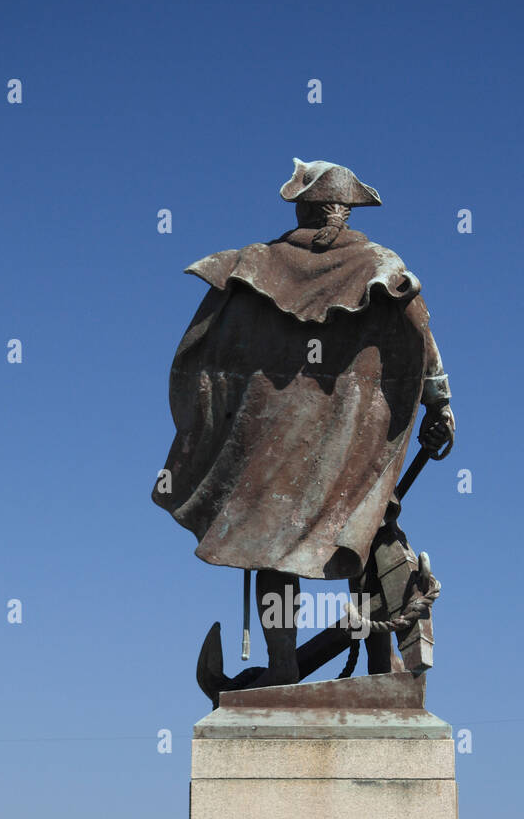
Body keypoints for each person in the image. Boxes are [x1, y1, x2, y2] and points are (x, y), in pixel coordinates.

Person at [152, 158, 455, 687]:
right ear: (342, 210)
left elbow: (202, 352)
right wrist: (439, 402)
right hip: (350, 436)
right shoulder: (376, 262)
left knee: (282, 542)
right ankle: (371, 667)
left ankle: (298, 665)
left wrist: (222, 420)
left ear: (305, 208)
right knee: (361, 528)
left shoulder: (255, 265)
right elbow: (420, 333)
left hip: (281, 440)